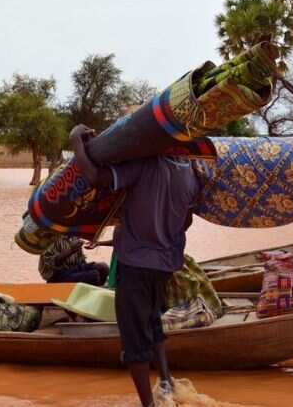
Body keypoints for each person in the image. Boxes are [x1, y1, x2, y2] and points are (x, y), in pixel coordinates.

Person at [69, 124, 200, 407]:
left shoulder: (143, 165)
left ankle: (148, 405)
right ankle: (166, 382)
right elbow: (187, 221)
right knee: (152, 321)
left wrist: (76, 144)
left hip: (135, 263)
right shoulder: (188, 173)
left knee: (134, 341)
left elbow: (94, 177)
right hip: (165, 265)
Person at [38, 235, 109, 286]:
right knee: (94, 275)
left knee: (103, 267)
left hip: (73, 271)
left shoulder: (74, 237)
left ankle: (98, 289)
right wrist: (71, 250)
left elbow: (81, 262)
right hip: (57, 276)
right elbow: (52, 262)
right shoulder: (52, 238)